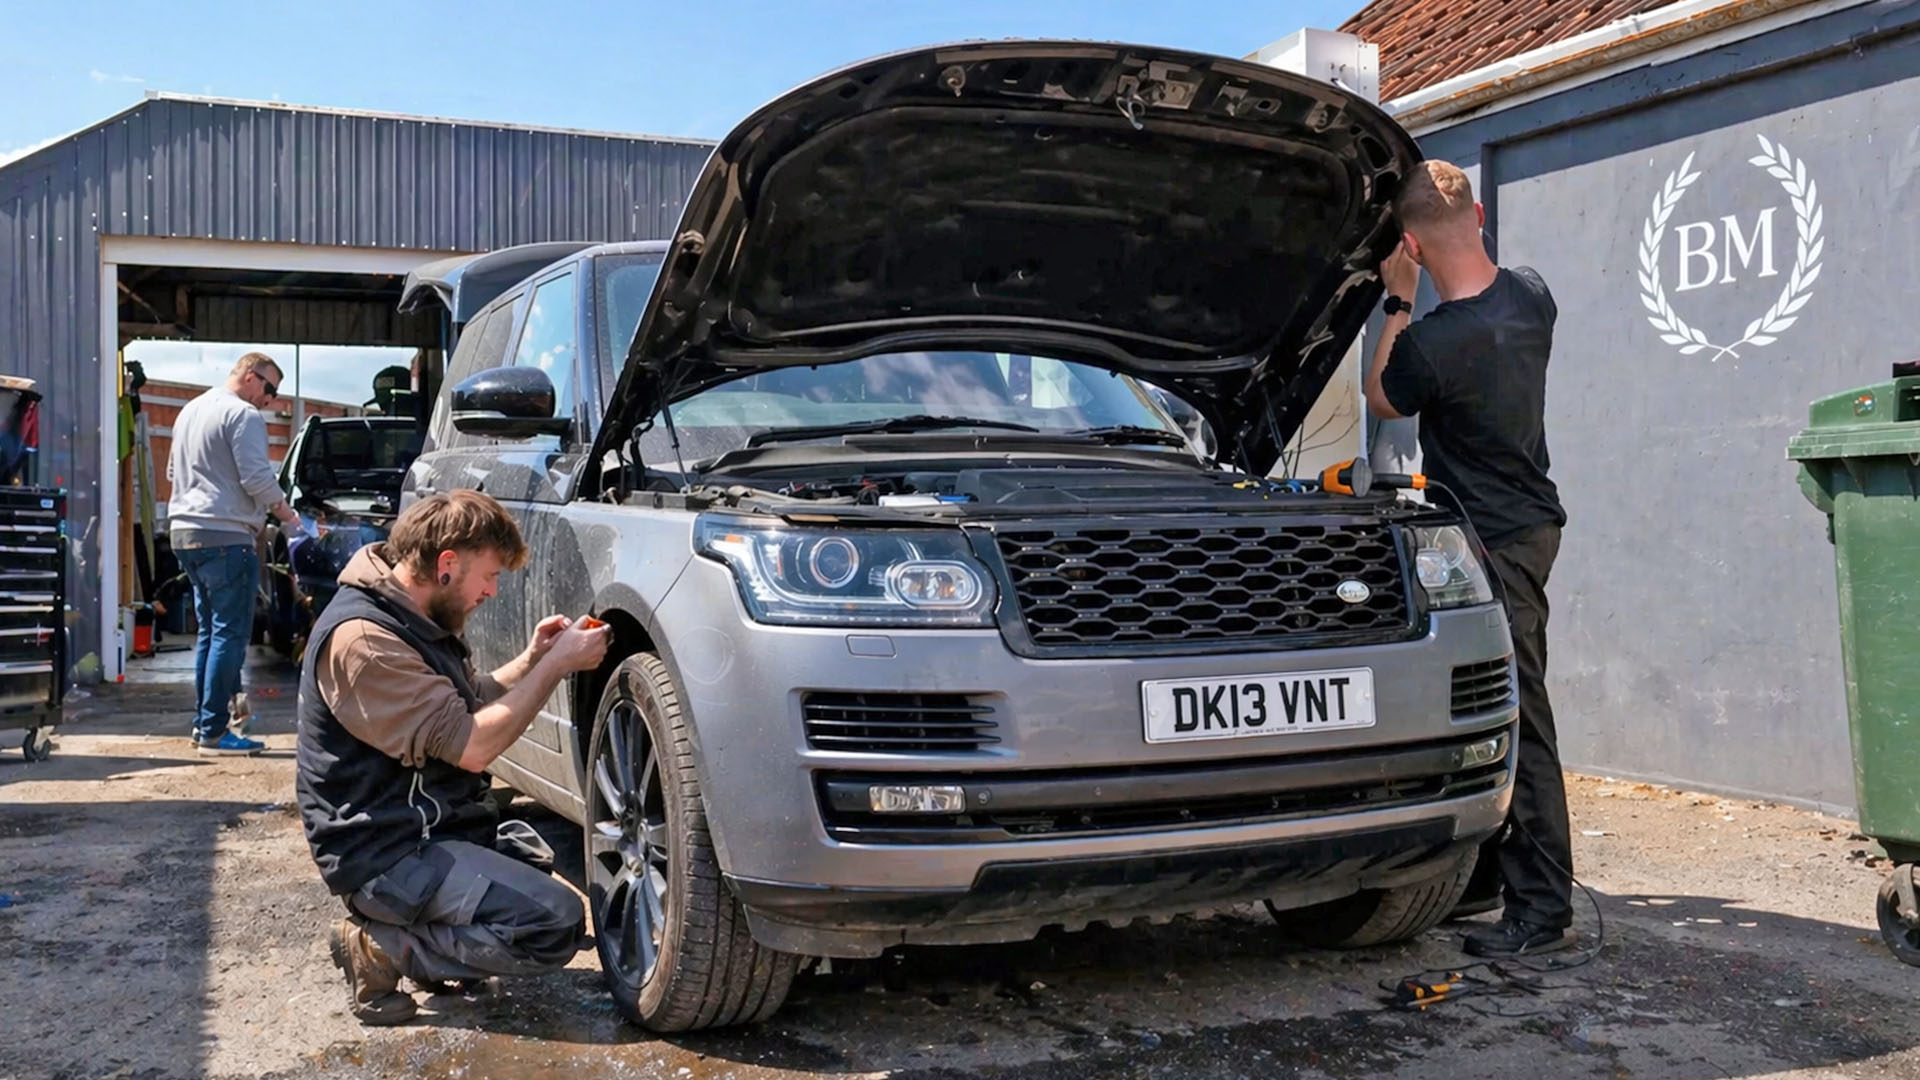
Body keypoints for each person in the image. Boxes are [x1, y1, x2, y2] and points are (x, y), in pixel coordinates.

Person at [295, 489, 610, 1025]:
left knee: (530, 868)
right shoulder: (365, 641)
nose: (490, 591)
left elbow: (464, 705)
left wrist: (531, 659)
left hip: (429, 830)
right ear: (446, 565)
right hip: (386, 852)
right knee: (551, 923)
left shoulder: (410, 617)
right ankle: (379, 946)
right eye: (487, 576)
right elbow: (472, 744)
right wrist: (554, 667)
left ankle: (419, 945)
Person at [1363, 160, 1574, 959]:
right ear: (1479, 213)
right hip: (1533, 525)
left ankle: (1542, 910)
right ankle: (1487, 882)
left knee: (1522, 719)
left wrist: (1395, 297)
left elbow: (1384, 396)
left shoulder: (1433, 344)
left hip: (1489, 542)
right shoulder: (1533, 295)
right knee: (1489, 705)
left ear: (1410, 244)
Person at [166, 352, 301, 755]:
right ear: (248, 375)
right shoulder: (242, 415)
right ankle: (213, 731)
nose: (271, 400)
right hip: (226, 537)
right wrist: (288, 515)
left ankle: (205, 723)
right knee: (228, 635)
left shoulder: (190, 411)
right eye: (269, 388)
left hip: (186, 534)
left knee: (210, 634)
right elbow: (257, 477)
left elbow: (173, 473)